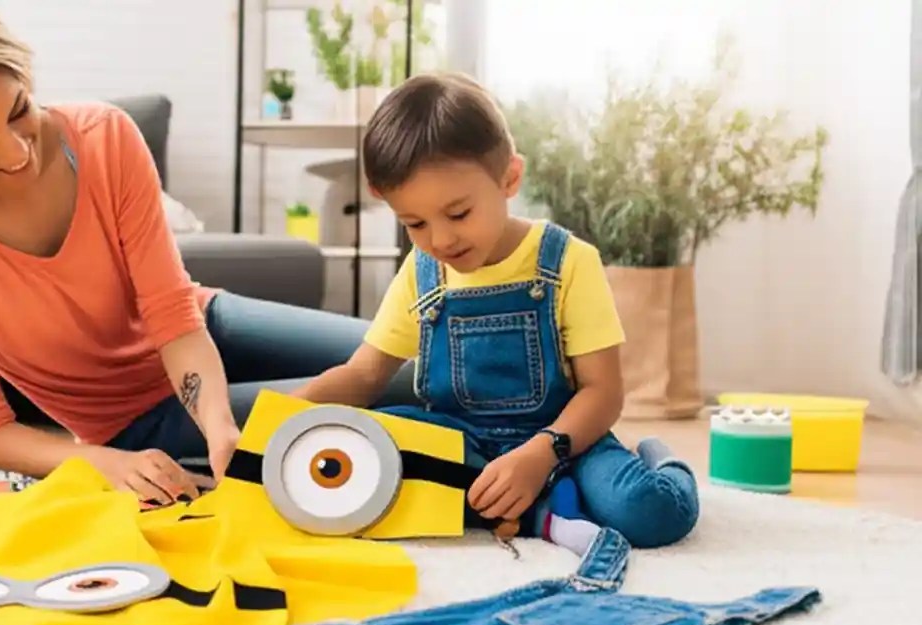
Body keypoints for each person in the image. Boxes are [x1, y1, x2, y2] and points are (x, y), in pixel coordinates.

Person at [0, 0, 413, 507]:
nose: (18, 151)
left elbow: (170, 311)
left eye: (18, 110)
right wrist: (106, 463)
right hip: (136, 422)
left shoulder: (104, 136)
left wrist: (220, 428)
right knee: (395, 394)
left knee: (416, 362)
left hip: (203, 326)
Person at [295, 72, 700, 550]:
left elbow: (604, 392)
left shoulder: (569, 261)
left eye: (459, 213)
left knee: (648, 512)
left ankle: (649, 461)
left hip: (566, 440)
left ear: (509, 178)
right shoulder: (421, 272)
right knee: (364, 457)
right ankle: (546, 510)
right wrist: (280, 421)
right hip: (464, 443)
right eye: (415, 223)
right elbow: (362, 376)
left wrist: (540, 454)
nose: (440, 240)